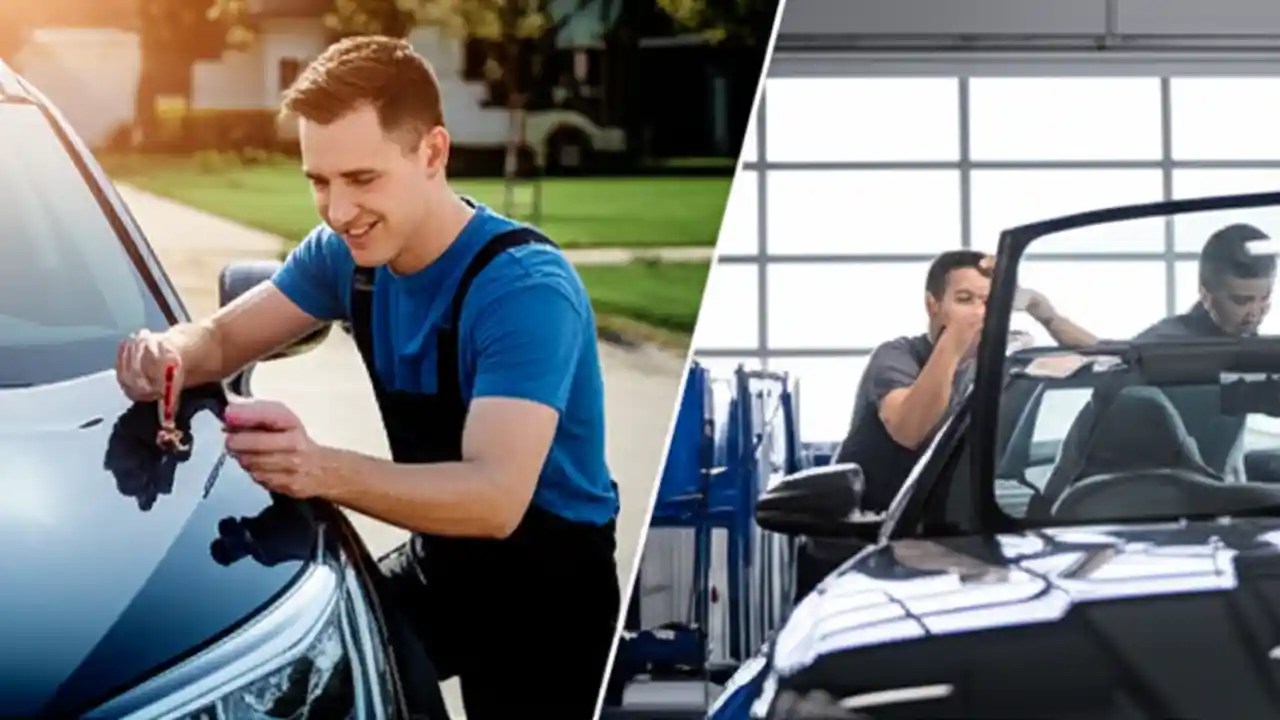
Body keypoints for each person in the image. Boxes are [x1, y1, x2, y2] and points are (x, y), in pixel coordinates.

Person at [114, 36, 619, 719]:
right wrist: (167, 352)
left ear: (432, 154)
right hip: (441, 562)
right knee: (300, 681)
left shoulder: (523, 289)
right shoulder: (344, 256)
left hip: (549, 595)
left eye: (362, 179)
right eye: (319, 182)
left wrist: (316, 469)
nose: (338, 210)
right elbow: (224, 338)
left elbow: (495, 499)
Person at [832, 249, 1095, 511]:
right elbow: (910, 432)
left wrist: (1044, 313)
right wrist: (955, 338)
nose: (979, 312)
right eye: (965, 299)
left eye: (988, 302)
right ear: (932, 305)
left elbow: (1108, 360)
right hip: (873, 520)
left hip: (951, 518)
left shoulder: (999, 362)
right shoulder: (896, 356)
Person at [1136, 222, 1276, 340]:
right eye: (1241, 301)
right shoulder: (1158, 350)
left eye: (1265, 297)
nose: (1255, 312)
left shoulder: (1262, 349)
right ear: (1205, 295)